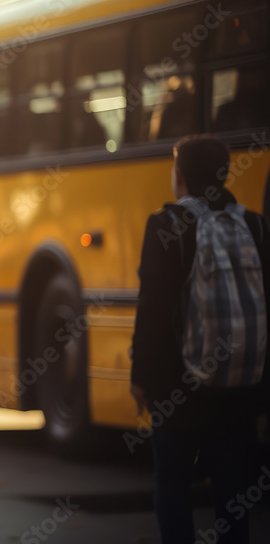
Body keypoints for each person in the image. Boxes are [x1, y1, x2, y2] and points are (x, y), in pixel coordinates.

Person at [131, 134, 270, 544]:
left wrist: (141, 376)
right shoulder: (255, 224)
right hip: (240, 388)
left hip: (179, 387)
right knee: (233, 491)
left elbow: (153, 309)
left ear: (181, 175)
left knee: (172, 482)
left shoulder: (166, 224)